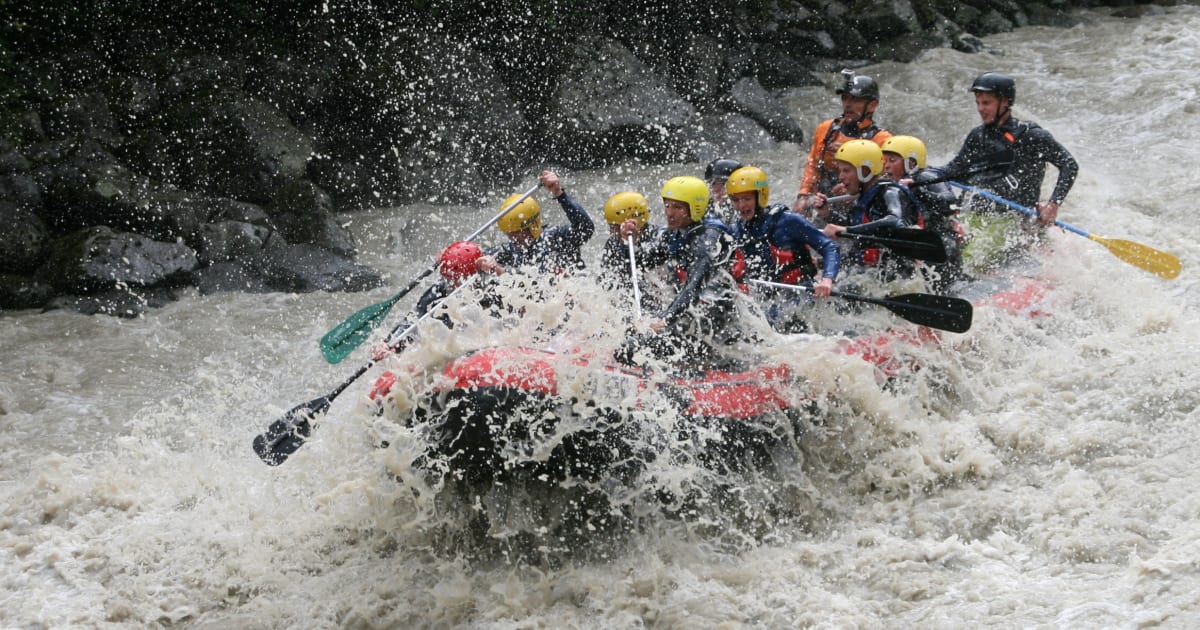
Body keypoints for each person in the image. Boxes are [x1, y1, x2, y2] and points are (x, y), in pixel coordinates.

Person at [933, 72, 1079, 269]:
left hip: (1012, 221)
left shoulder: (1032, 136)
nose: (980, 109)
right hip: (972, 216)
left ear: (1005, 102)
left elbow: (1069, 165)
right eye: (978, 103)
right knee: (945, 250)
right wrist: (923, 174)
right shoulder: (978, 136)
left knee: (966, 261)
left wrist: (1053, 205)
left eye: (986, 103)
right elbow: (955, 169)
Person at [617, 175, 741, 369]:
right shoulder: (679, 232)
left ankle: (688, 370)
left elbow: (693, 288)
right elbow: (644, 261)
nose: (669, 213)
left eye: (677, 208)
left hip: (716, 316)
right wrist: (629, 242)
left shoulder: (707, 241)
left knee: (635, 346)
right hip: (693, 309)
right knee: (628, 331)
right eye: (667, 206)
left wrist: (665, 319)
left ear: (695, 208)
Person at [726, 165, 842, 332]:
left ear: (760, 196)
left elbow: (829, 247)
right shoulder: (736, 231)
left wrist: (827, 280)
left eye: (746, 199)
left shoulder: (788, 221)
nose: (741, 205)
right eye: (736, 200)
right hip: (767, 297)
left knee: (773, 320)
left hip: (800, 293)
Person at [792, 69, 893, 224]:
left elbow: (888, 178)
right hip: (825, 203)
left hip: (861, 207)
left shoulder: (882, 140)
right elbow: (813, 165)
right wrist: (804, 195)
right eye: (845, 98)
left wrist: (855, 187)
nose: (847, 104)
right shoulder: (826, 129)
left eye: (855, 100)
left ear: (872, 105)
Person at [819, 139, 921, 282]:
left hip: (899, 275)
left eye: (846, 170)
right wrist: (827, 214)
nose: (840, 177)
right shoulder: (864, 198)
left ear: (865, 171)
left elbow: (894, 221)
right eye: (840, 171)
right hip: (872, 272)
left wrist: (846, 230)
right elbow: (859, 233)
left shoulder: (890, 192)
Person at [881, 135, 965, 287]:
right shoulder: (890, 184)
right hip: (916, 243)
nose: (886, 166)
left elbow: (950, 203)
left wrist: (919, 190)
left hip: (940, 245)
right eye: (884, 161)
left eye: (892, 160)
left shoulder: (926, 176)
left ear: (911, 163)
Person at [476, 170, 595, 276]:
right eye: (509, 233)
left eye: (517, 232)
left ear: (533, 225)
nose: (512, 238)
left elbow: (586, 228)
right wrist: (482, 262)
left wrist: (559, 193)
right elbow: (478, 259)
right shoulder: (509, 251)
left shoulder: (558, 237)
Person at [598, 191, 668, 311]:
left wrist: (631, 244)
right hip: (629, 300)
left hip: (658, 298)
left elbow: (644, 263)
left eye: (614, 227)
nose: (611, 231)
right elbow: (605, 279)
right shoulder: (613, 242)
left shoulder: (662, 236)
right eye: (610, 226)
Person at [704, 157, 743, 225]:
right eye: (713, 184)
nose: (715, 190)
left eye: (722, 184)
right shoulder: (703, 211)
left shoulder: (746, 211)